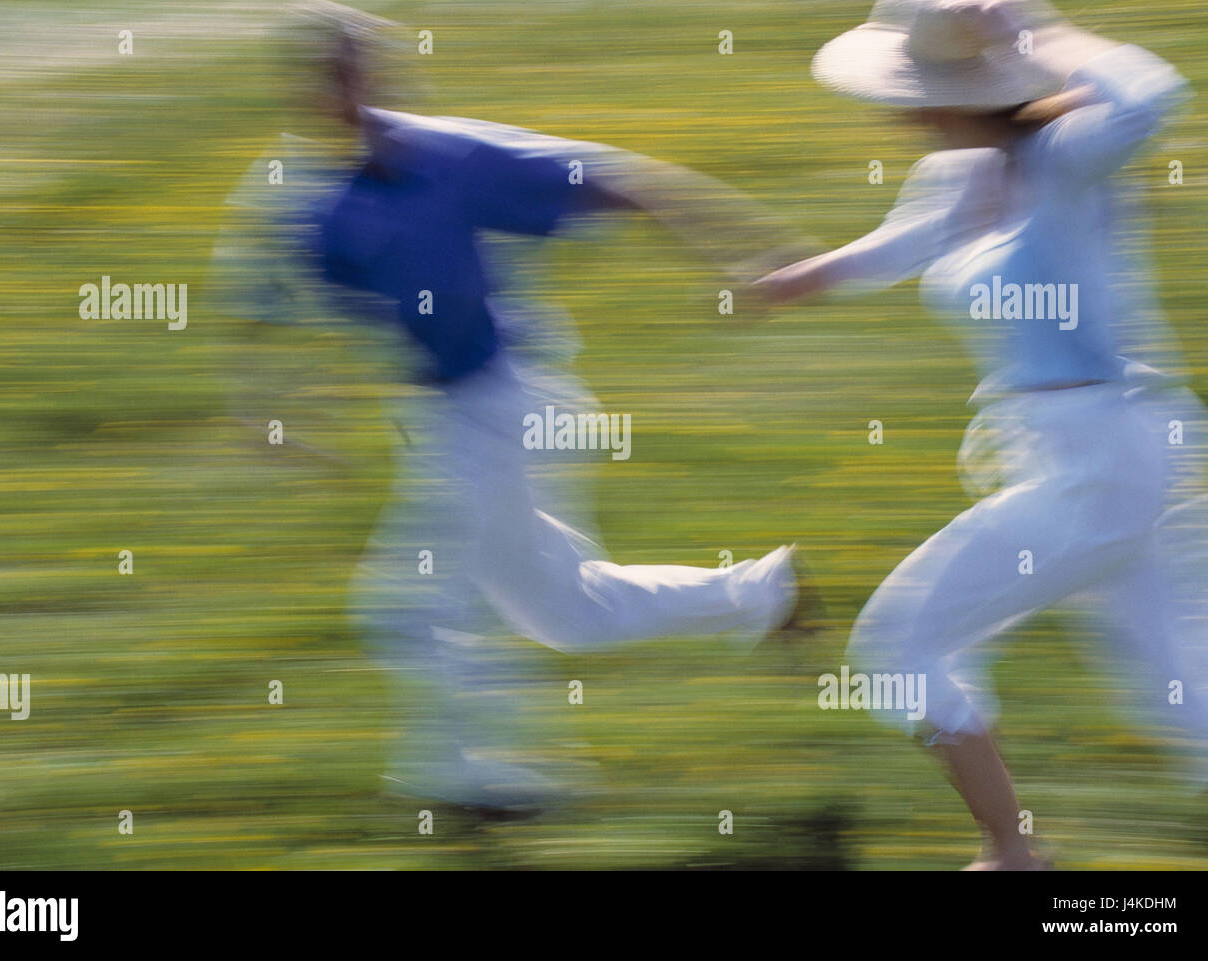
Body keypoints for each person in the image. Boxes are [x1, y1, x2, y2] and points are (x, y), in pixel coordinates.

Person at [218, 2, 813, 811]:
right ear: (304, 90)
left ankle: (477, 781)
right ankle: (760, 591)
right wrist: (270, 407)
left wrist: (747, 254)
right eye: (329, 77)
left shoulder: (451, 157)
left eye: (360, 71)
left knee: (406, 603)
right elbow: (258, 305)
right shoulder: (297, 193)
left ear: (384, 75)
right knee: (565, 611)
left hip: (510, 399)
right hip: (447, 414)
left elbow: (621, 180)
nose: (348, 91)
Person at [757, 0, 1208, 868]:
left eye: (914, 92)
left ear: (954, 92)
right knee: (1196, 701)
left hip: (1099, 462)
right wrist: (798, 279)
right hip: (1087, 454)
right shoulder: (961, 171)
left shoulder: (1066, 157)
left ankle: (1013, 855)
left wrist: (1028, 30)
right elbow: (901, 246)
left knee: (898, 647)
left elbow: (1151, 96)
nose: (897, 111)